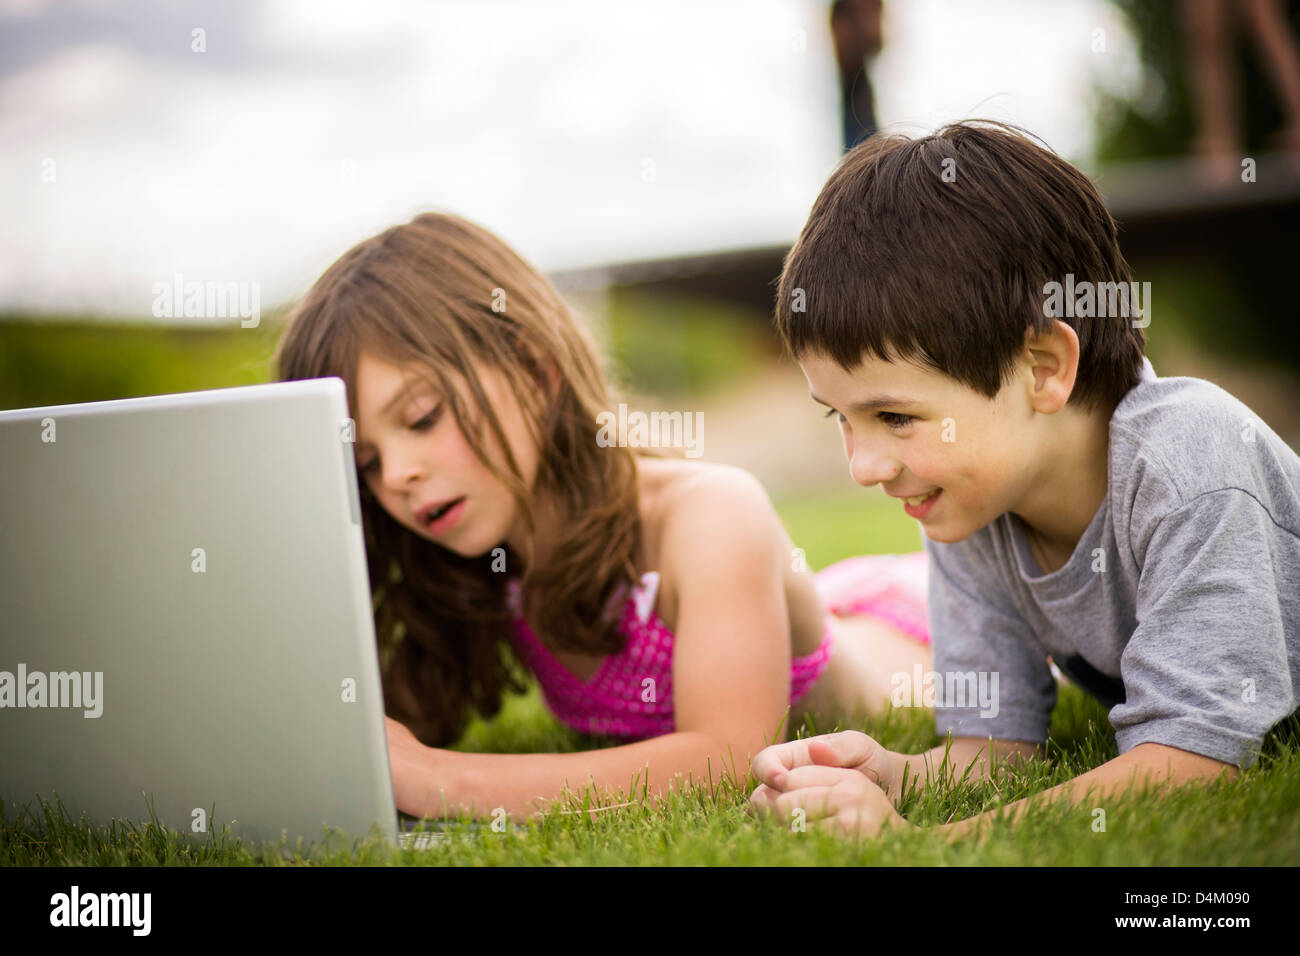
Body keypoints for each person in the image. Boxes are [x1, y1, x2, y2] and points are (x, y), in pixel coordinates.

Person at [272, 211, 931, 821]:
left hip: (913, 632)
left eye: (422, 417)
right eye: (366, 461)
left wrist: (444, 779)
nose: (397, 474)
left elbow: (727, 759)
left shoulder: (709, 513)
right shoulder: (471, 558)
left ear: (535, 372)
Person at [749, 120, 1300, 838]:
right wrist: (893, 774)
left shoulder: (1190, 462)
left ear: (1043, 368)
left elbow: (1193, 762)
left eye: (894, 415)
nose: (864, 468)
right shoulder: (971, 501)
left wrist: (922, 843)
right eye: (841, 419)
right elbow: (998, 748)